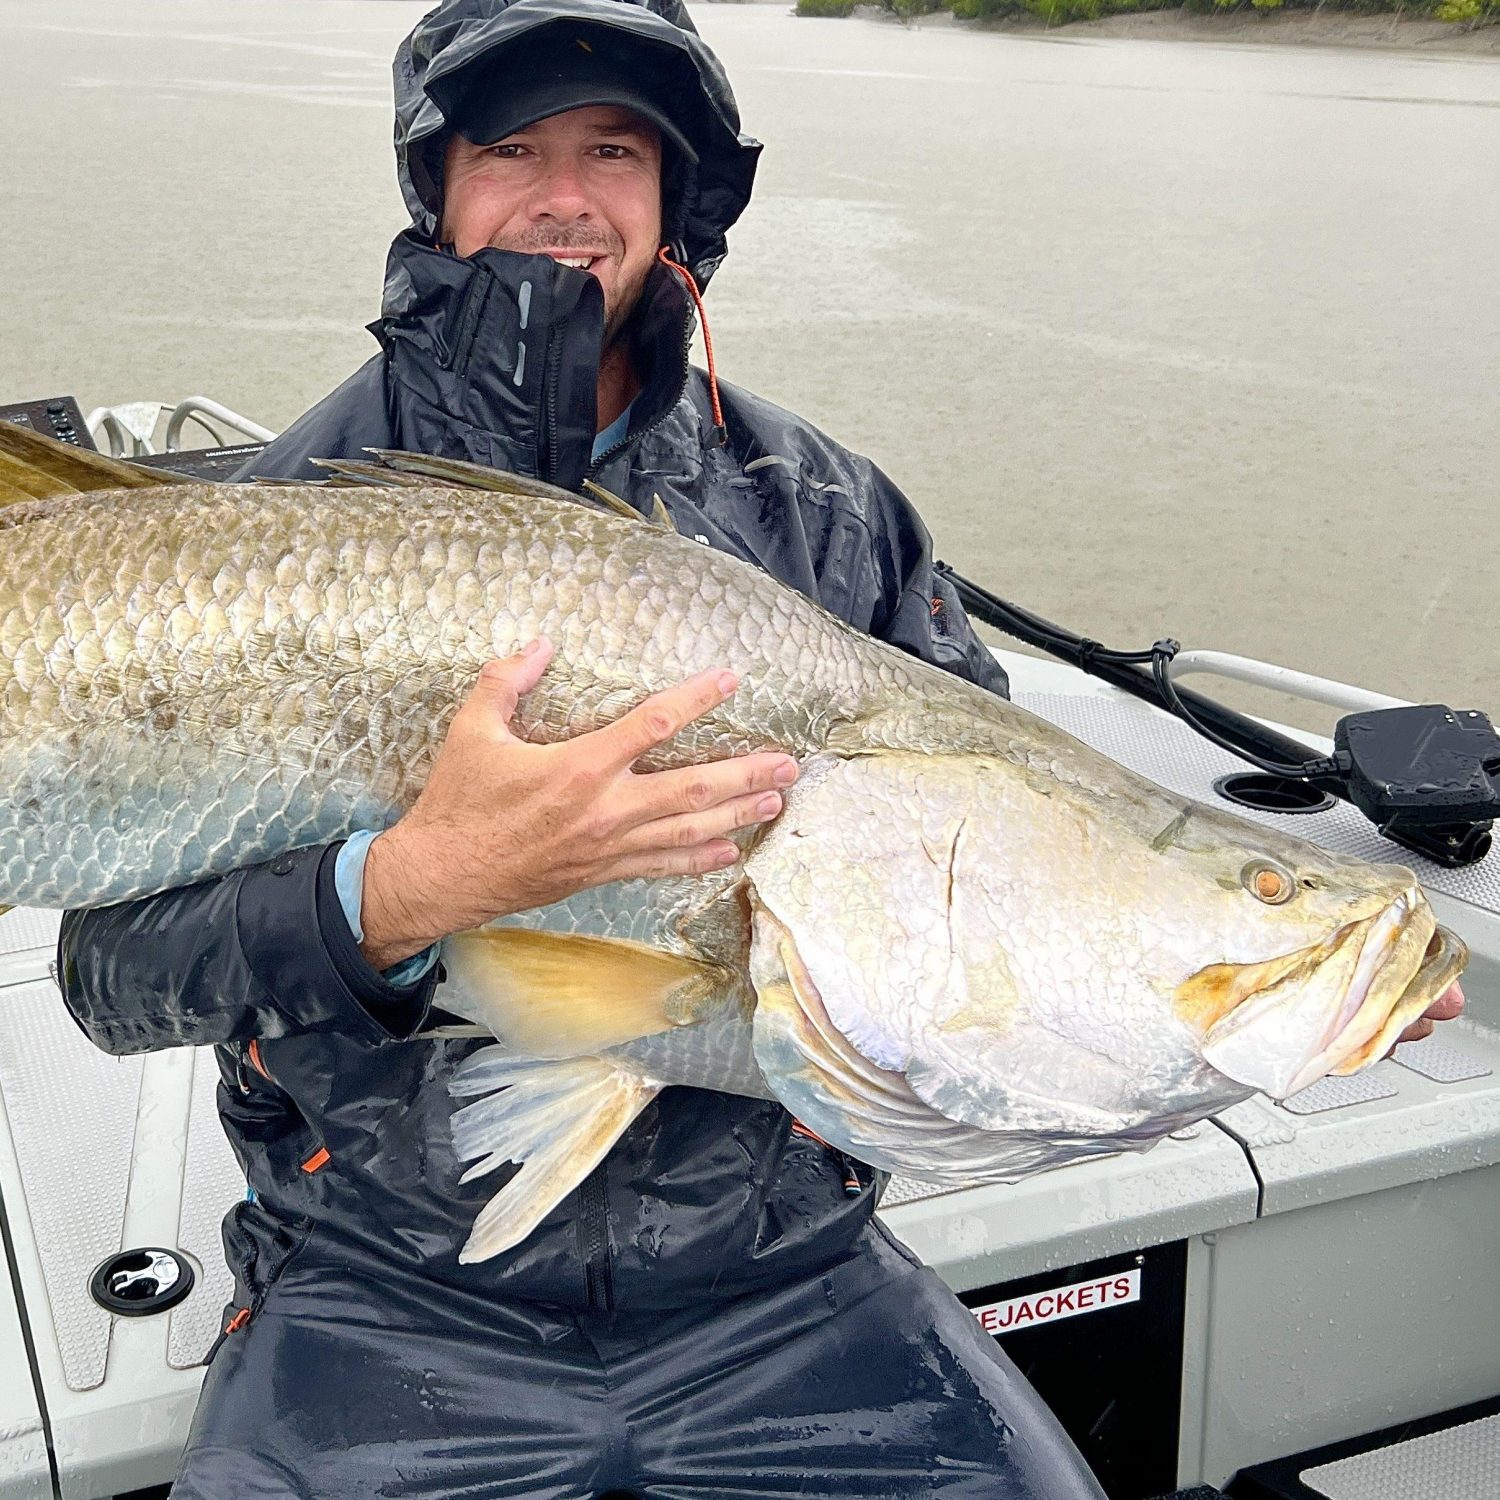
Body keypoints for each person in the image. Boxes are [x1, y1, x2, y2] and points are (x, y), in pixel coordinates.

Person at [56, 1, 1462, 1496]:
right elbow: (112, 981)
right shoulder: (267, 524)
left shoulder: (830, 512)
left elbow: (1000, 860)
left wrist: (1250, 998)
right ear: (437, 187)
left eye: (613, 148)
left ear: (678, 199)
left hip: (787, 1287)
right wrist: (404, 888)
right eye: (509, 149)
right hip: (380, 1292)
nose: (564, 192)